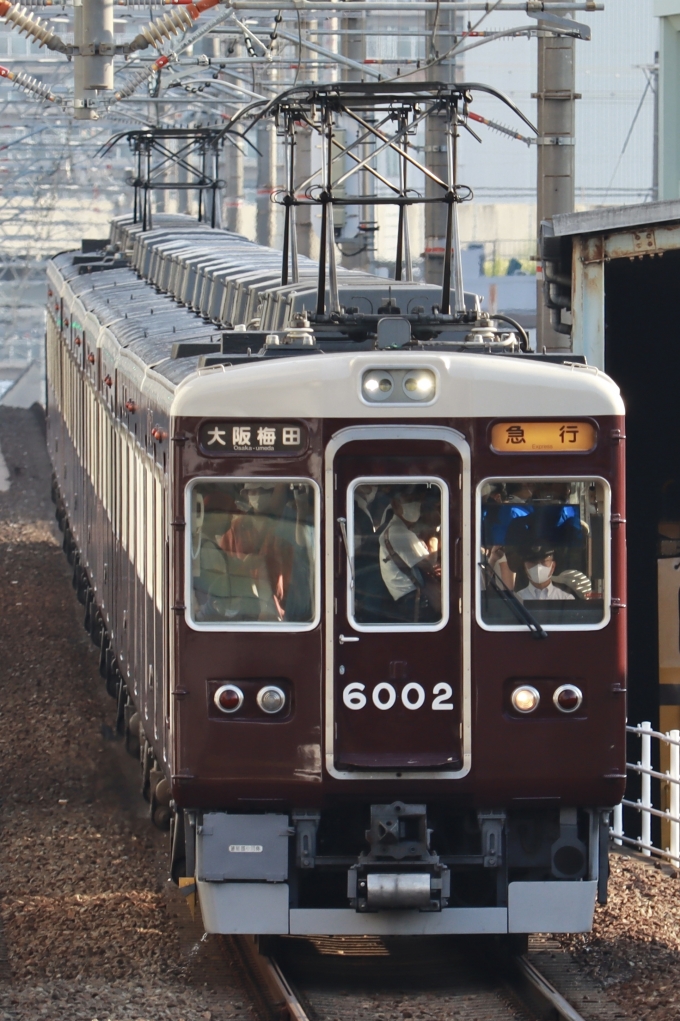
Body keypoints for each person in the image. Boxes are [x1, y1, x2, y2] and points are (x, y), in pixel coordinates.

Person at [378, 486, 441, 623]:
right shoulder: (399, 532)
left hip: (408, 596)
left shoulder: (398, 530)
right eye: (408, 500)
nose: (414, 504)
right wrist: (434, 539)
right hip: (412, 598)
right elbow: (429, 564)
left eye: (416, 500)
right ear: (395, 504)